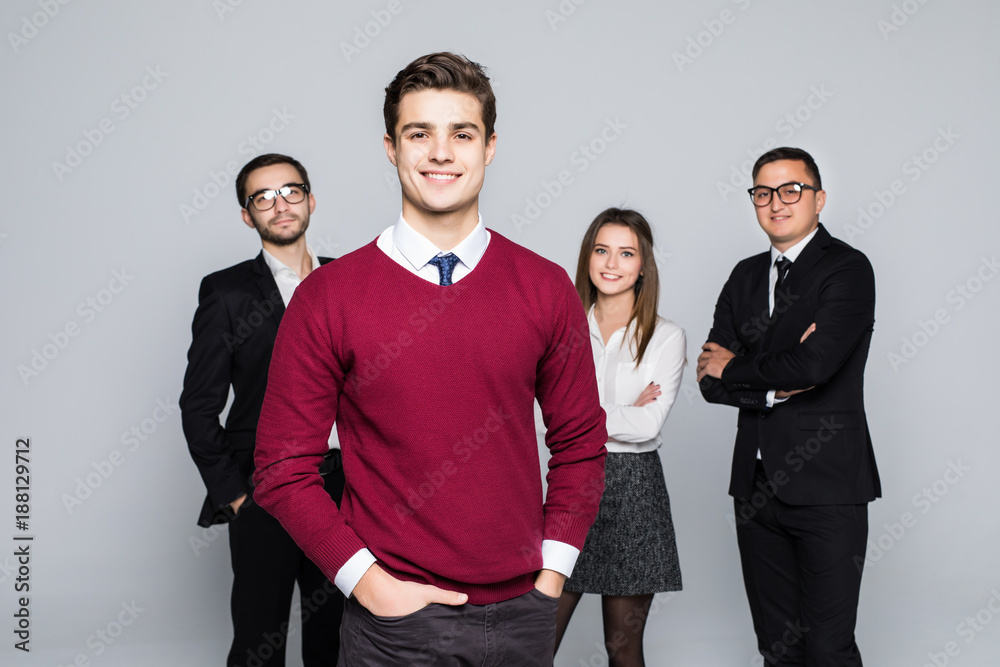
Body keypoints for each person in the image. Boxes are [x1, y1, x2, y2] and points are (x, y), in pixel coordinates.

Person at [252, 52, 607, 666]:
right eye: (420, 134)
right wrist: (367, 583)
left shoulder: (545, 287)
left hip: (523, 614)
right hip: (393, 627)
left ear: (489, 147)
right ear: (391, 148)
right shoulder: (327, 297)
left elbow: (580, 443)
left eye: (461, 134)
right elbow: (281, 467)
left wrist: (553, 573)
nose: (441, 153)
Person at [697, 147, 880, 666]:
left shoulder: (847, 268)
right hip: (754, 487)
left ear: (818, 199)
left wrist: (739, 367)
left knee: (828, 648)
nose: (775, 202)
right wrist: (774, 382)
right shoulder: (745, 275)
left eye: (790, 190)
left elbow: (815, 366)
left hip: (828, 486)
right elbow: (709, 380)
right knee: (777, 648)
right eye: (762, 193)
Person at [180, 153, 345, 667]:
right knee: (259, 640)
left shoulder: (350, 281)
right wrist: (234, 497)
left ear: (311, 200)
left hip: (346, 489)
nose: (280, 204)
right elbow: (198, 405)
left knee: (338, 637)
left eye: (291, 191)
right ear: (248, 215)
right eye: (262, 197)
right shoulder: (226, 292)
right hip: (263, 488)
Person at [553, 208, 686, 667]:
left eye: (626, 253)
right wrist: (621, 411)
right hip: (568, 480)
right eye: (602, 250)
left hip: (635, 491)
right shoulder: (561, 329)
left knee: (623, 649)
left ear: (643, 264)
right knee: (531, 641)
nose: (612, 263)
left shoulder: (666, 337)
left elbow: (648, 426)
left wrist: (577, 412)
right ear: (588, 257)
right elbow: (541, 415)